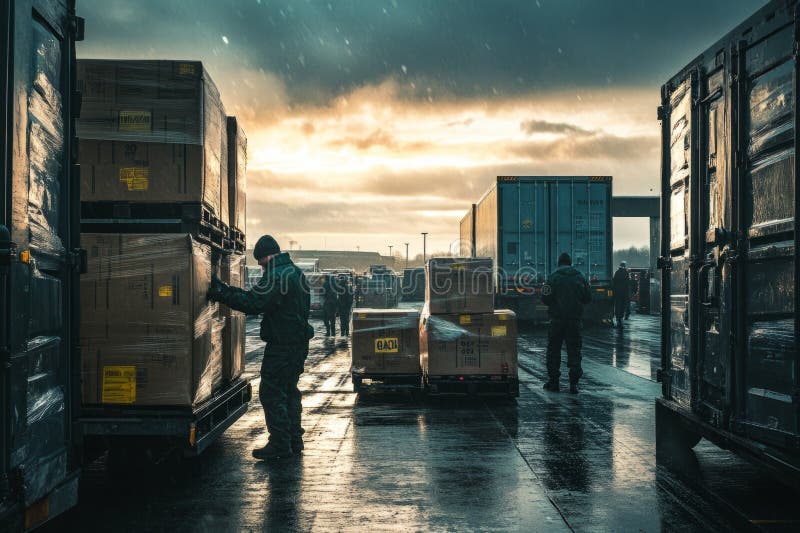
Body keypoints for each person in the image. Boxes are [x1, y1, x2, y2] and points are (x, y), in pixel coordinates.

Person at [207, 235, 313, 460]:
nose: (260, 267)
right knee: (289, 392)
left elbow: (254, 303)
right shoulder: (295, 272)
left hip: (282, 346)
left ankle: (280, 444)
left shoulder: (277, 275)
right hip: (297, 343)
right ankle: (294, 440)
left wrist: (220, 292)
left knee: (272, 393)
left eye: (260, 262)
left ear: (265, 257)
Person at [541, 252, 592, 394]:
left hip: (556, 321)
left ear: (559, 263)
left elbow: (545, 298)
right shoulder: (580, 277)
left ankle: (554, 383)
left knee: (553, 351)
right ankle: (574, 384)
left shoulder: (552, 277)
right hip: (574, 321)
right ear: (570, 263)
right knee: (574, 351)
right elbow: (588, 297)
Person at [612, 261, 630, 328]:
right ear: (624, 266)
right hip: (624, 293)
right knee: (622, 306)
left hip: (617, 292)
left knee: (617, 305)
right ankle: (621, 318)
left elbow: (614, 282)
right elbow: (627, 283)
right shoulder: (626, 273)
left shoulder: (617, 272)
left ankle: (617, 318)